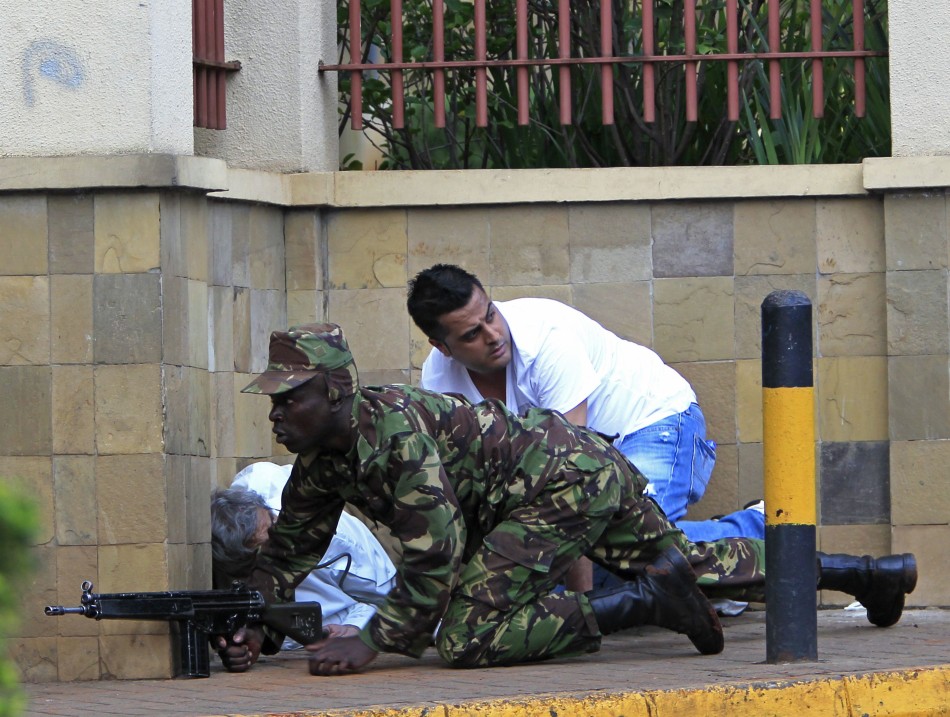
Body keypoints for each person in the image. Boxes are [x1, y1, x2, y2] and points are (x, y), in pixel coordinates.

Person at [215, 323, 916, 677]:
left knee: (464, 634)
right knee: (689, 562)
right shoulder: (324, 459)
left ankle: (644, 603)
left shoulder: (393, 434)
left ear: (336, 391)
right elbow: (289, 550)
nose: (276, 413)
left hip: (561, 482)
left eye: (289, 398)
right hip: (575, 473)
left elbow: (436, 558)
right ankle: (867, 575)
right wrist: (258, 624)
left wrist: (371, 643)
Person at [407, 263, 763, 546]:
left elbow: (569, 466)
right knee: (587, 553)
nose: (494, 335)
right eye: (472, 334)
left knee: (631, 537)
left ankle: (761, 531)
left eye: (490, 315)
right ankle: (728, 574)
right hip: (596, 460)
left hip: (656, 422)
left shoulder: (546, 339)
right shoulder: (439, 381)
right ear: (442, 347)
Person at [211, 461, 397, 641]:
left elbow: (390, 599)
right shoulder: (251, 482)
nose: (279, 537)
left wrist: (356, 626)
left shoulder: (335, 544)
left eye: (273, 523)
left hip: (373, 535)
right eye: (269, 545)